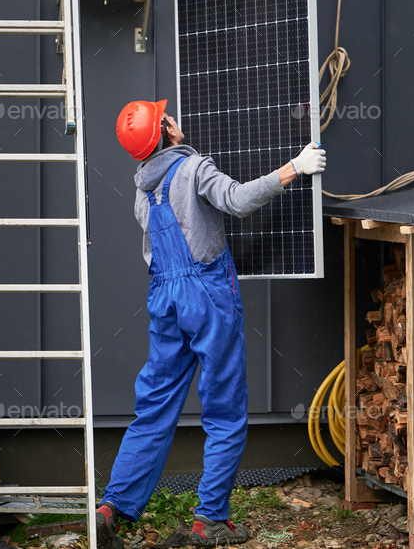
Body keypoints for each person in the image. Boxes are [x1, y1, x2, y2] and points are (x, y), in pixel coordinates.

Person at [96, 100, 326, 548]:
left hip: (164, 298)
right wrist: (293, 167)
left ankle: (112, 508)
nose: (175, 119)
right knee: (224, 408)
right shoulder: (194, 169)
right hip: (207, 295)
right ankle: (209, 520)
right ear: (164, 129)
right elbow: (237, 200)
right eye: (167, 117)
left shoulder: (143, 188)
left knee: (155, 407)